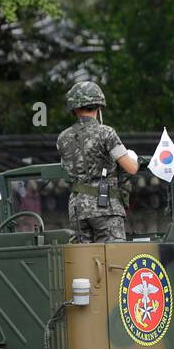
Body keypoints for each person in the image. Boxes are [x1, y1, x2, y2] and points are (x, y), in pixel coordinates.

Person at [56, 80, 140, 244]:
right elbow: (131, 168)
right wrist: (133, 158)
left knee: (84, 264)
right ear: (99, 107)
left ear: (74, 109)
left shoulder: (62, 138)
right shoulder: (106, 133)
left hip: (77, 210)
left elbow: (67, 169)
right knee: (113, 262)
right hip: (105, 208)